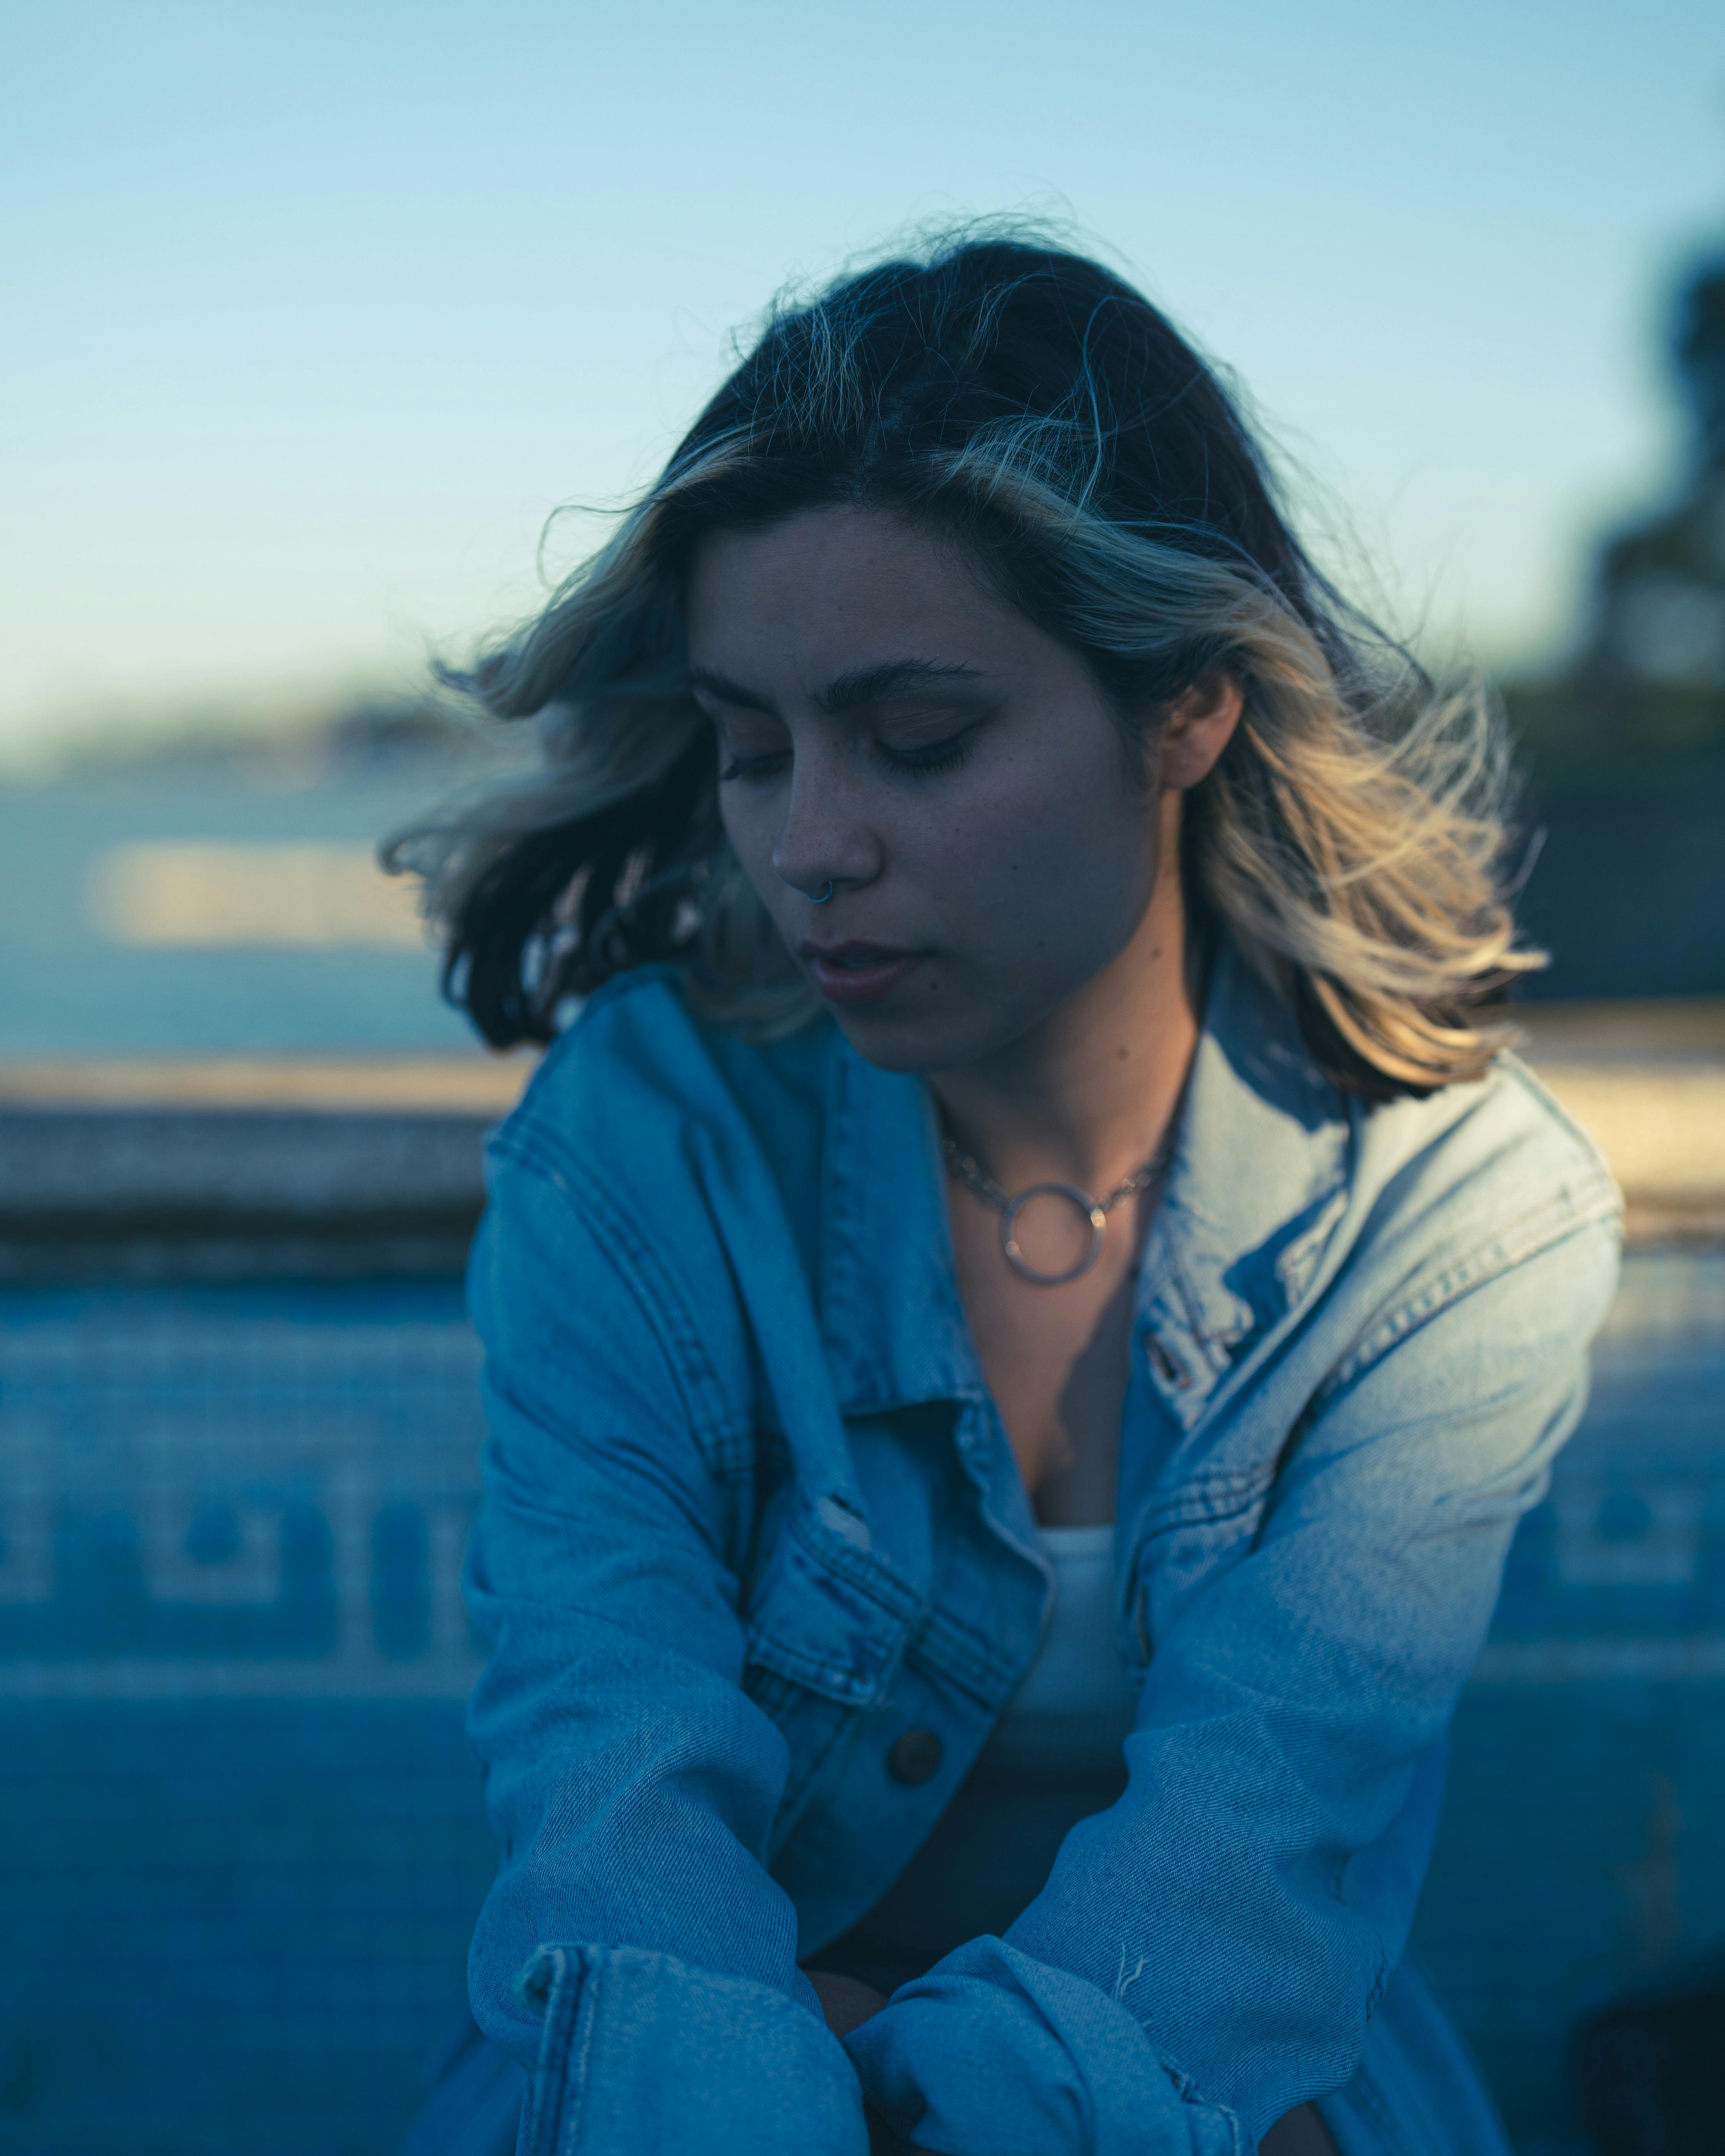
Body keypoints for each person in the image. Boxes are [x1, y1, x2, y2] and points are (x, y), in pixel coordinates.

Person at [392, 231, 1621, 2154]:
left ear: (1188, 708)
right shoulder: (638, 1146)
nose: (807, 847)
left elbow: (1251, 1884)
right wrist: (766, 2081)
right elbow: (608, 1806)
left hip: (1223, 2095)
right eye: (748, 748)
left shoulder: (1454, 1219)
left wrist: (895, 2060)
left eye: (918, 739)